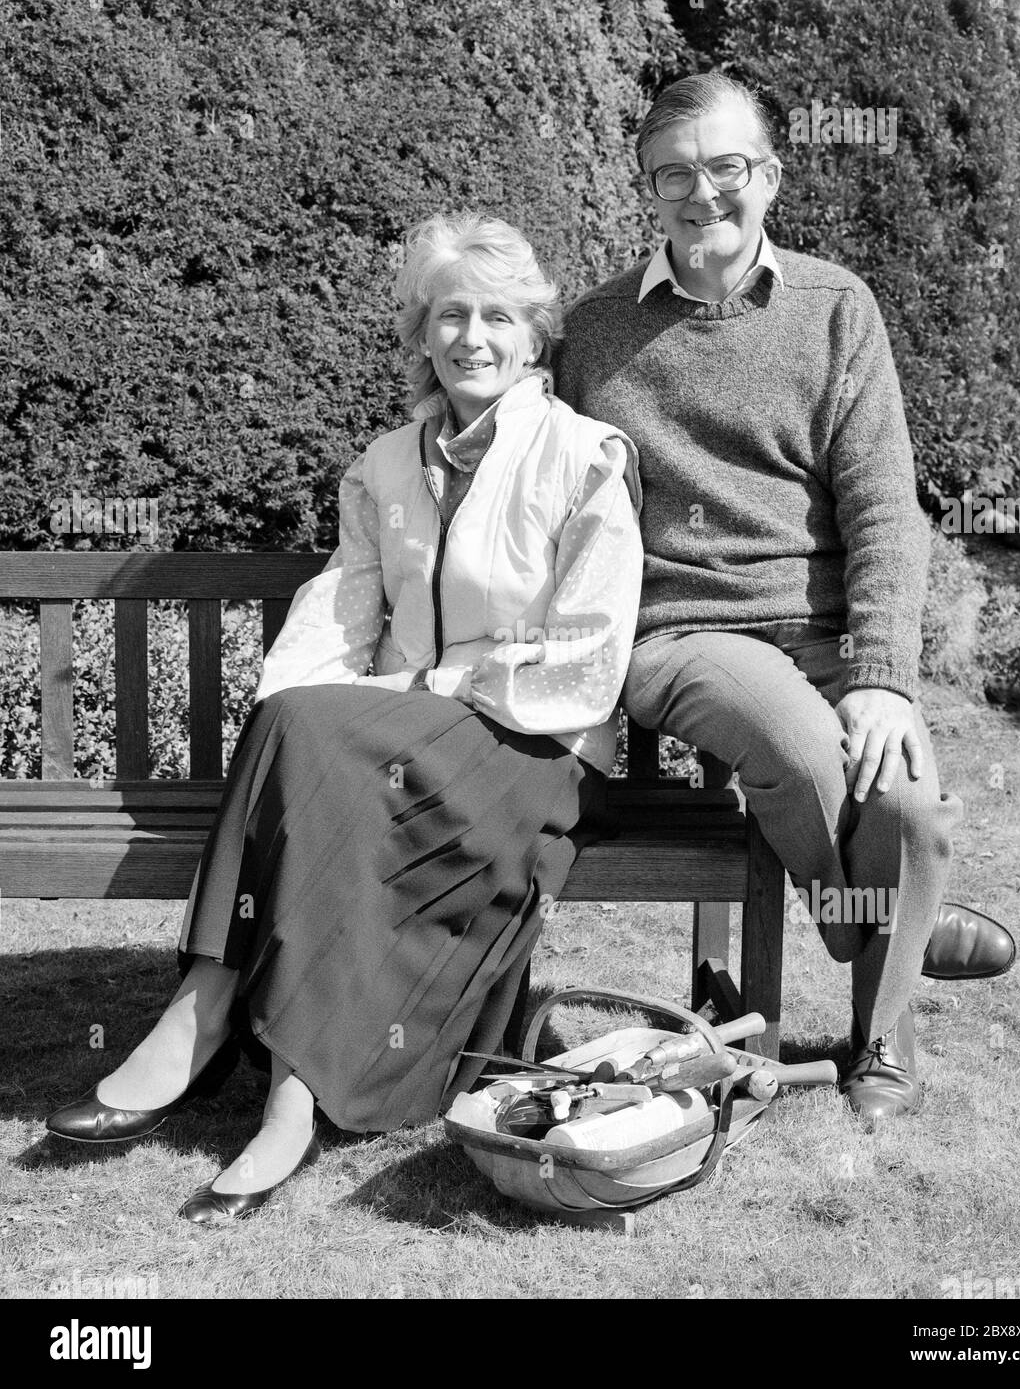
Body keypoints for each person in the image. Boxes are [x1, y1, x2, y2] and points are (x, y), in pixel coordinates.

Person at [46, 212, 644, 1216]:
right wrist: (309, 705)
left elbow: (584, 663)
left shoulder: (585, 458)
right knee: (297, 717)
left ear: (534, 335)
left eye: (498, 315)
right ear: (421, 332)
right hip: (403, 739)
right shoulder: (383, 465)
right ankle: (279, 1083)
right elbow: (341, 605)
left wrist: (409, 695)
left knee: (324, 731)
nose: (473, 337)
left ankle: (214, 1025)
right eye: (450, 313)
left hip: (529, 745)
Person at [554, 73, 1015, 1127]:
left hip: (819, 629)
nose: (700, 192)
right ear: (647, 190)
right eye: (674, 173)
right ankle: (899, 929)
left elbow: (885, 510)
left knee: (900, 795)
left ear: (769, 176)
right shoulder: (590, 334)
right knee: (808, 752)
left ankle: (879, 1043)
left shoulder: (835, 308)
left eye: (726, 167)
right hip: (682, 634)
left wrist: (883, 679)